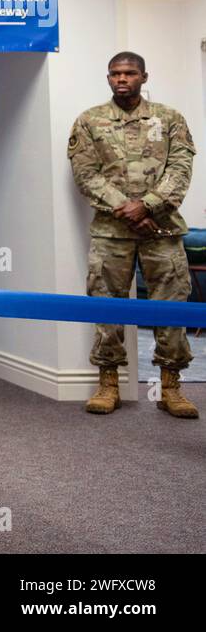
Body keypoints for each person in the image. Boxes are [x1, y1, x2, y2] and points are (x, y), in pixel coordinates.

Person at [68, 51, 197, 418]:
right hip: (111, 232)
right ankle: (108, 385)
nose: (121, 79)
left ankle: (170, 388)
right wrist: (128, 208)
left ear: (143, 76)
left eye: (129, 73)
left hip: (163, 229)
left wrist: (150, 205)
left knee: (170, 307)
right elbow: (87, 175)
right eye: (114, 74)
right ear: (108, 78)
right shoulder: (90, 121)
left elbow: (181, 168)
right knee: (106, 306)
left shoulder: (169, 118)